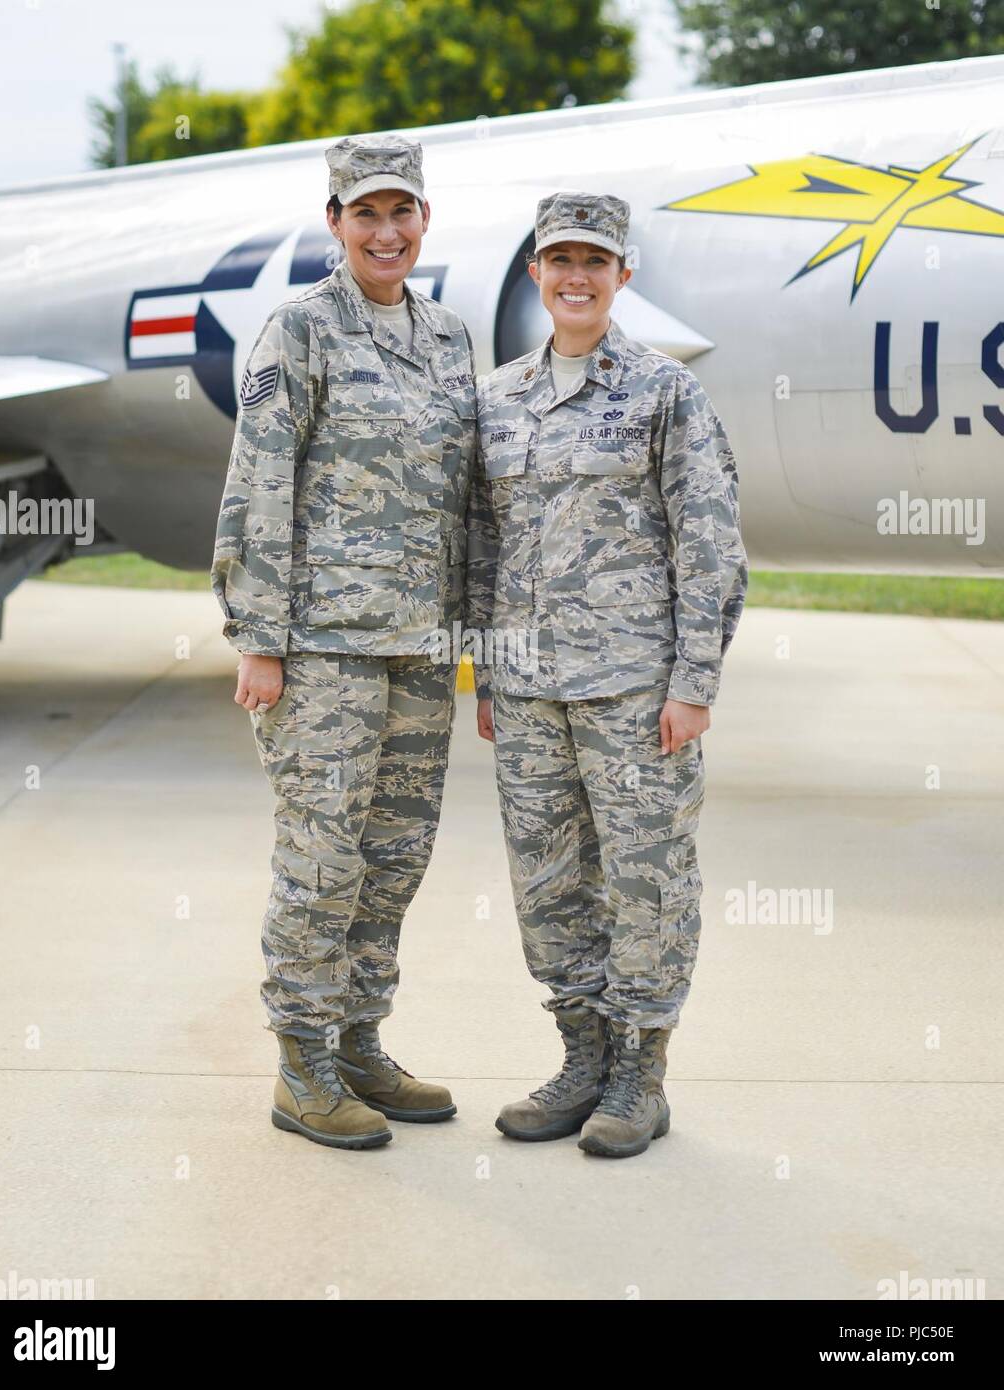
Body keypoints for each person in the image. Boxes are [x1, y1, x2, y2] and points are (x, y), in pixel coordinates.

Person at [466, 191, 747, 1158]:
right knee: (548, 881)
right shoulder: (497, 399)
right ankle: (581, 1054)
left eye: (595, 261)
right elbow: (484, 549)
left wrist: (694, 684)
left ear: (623, 276)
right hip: (530, 693)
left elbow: (709, 544)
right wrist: (491, 677)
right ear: (537, 274)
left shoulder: (666, 393)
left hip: (635, 690)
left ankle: (641, 1072)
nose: (576, 277)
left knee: (648, 879)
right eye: (559, 261)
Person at [211, 135, 477, 1150]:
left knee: (392, 858)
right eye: (364, 213)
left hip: (419, 647)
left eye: (400, 211)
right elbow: (258, 484)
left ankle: (361, 1043)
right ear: (334, 222)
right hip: (319, 648)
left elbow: (464, 498)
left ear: (422, 220)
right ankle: (301, 1065)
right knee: (320, 859)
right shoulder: (299, 330)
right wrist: (258, 637)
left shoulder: (447, 339)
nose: (385, 230)